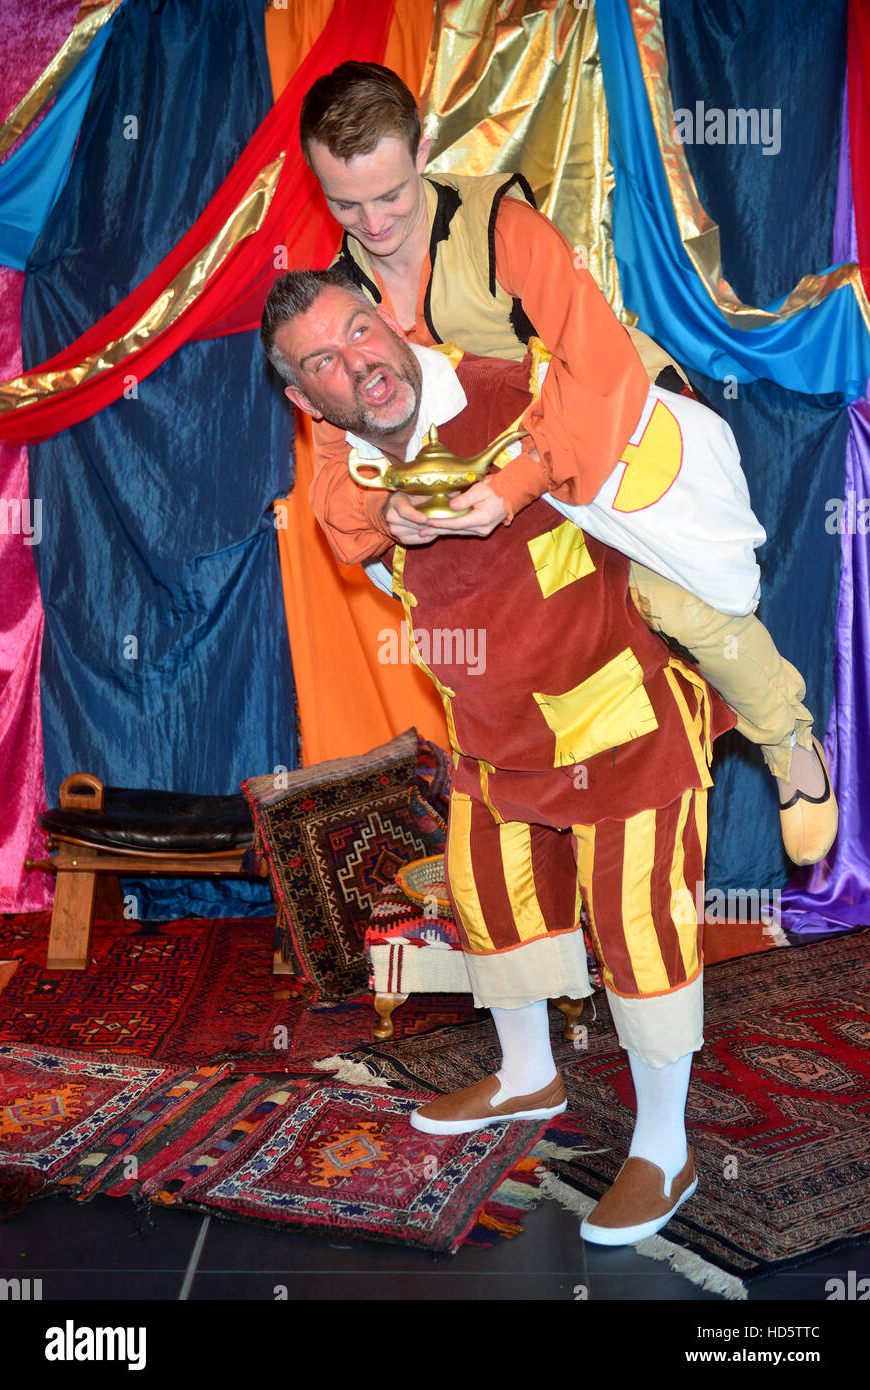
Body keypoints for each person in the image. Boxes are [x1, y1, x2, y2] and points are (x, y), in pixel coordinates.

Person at [262, 265, 744, 1246]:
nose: (357, 360)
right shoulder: (346, 460)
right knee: (496, 900)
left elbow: (628, 415)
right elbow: (344, 530)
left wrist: (511, 484)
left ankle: (664, 1145)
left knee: (637, 931)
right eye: (322, 360)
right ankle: (526, 1074)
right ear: (302, 396)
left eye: (359, 328)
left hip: (622, 724)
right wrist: (385, 508)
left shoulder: (506, 385)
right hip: (493, 735)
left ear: (391, 317)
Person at [297, 60, 837, 868]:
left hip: (586, 456)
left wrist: (514, 485)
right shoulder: (334, 304)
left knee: (676, 602)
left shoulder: (503, 230)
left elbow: (601, 372)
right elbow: (333, 487)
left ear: (423, 149)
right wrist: (387, 515)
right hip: (470, 513)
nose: (371, 223)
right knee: (484, 669)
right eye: (345, 202)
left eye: (390, 196)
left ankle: (785, 734)